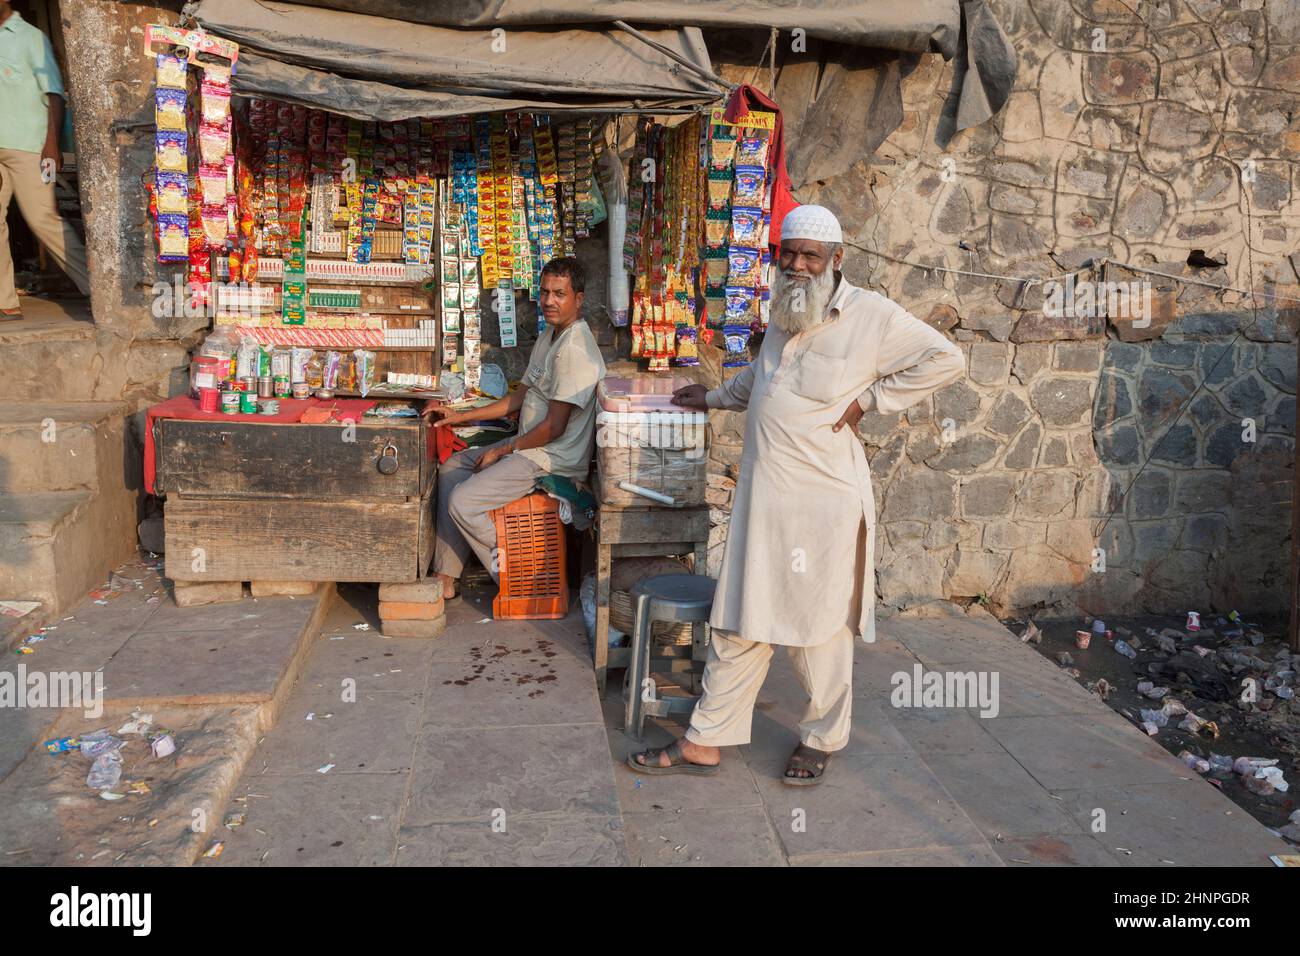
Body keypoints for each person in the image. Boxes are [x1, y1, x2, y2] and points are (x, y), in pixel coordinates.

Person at [628, 204, 965, 785]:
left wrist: (870, 402)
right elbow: (761, 376)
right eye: (789, 253)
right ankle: (707, 740)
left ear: (837, 260)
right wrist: (708, 398)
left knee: (817, 629)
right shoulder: (785, 309)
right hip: (764, 502)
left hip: (823, 505)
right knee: (740, 620)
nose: (798, 264)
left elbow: (947, 358)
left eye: (811, 255)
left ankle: (822, 737)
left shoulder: (872, 316)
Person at [430, 256, 606, 600]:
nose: (549, 301)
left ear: (578, 299)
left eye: (559, 294)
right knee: (452, 468)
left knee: (463, 502)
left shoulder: (574, 350)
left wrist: (501, 450)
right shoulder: (549, 337)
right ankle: (446, 574)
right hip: (527, 447)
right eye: (544, 293)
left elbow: (555, 428)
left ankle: (519, 573)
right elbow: (519, 399)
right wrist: (457, 415)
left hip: (548, 459)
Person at [0, 1, 91, 319]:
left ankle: (94, 287)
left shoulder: (31, 37)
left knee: (43, 219)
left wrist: (51, 144)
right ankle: (5, 302)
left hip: (30, 146)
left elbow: (54, 93)